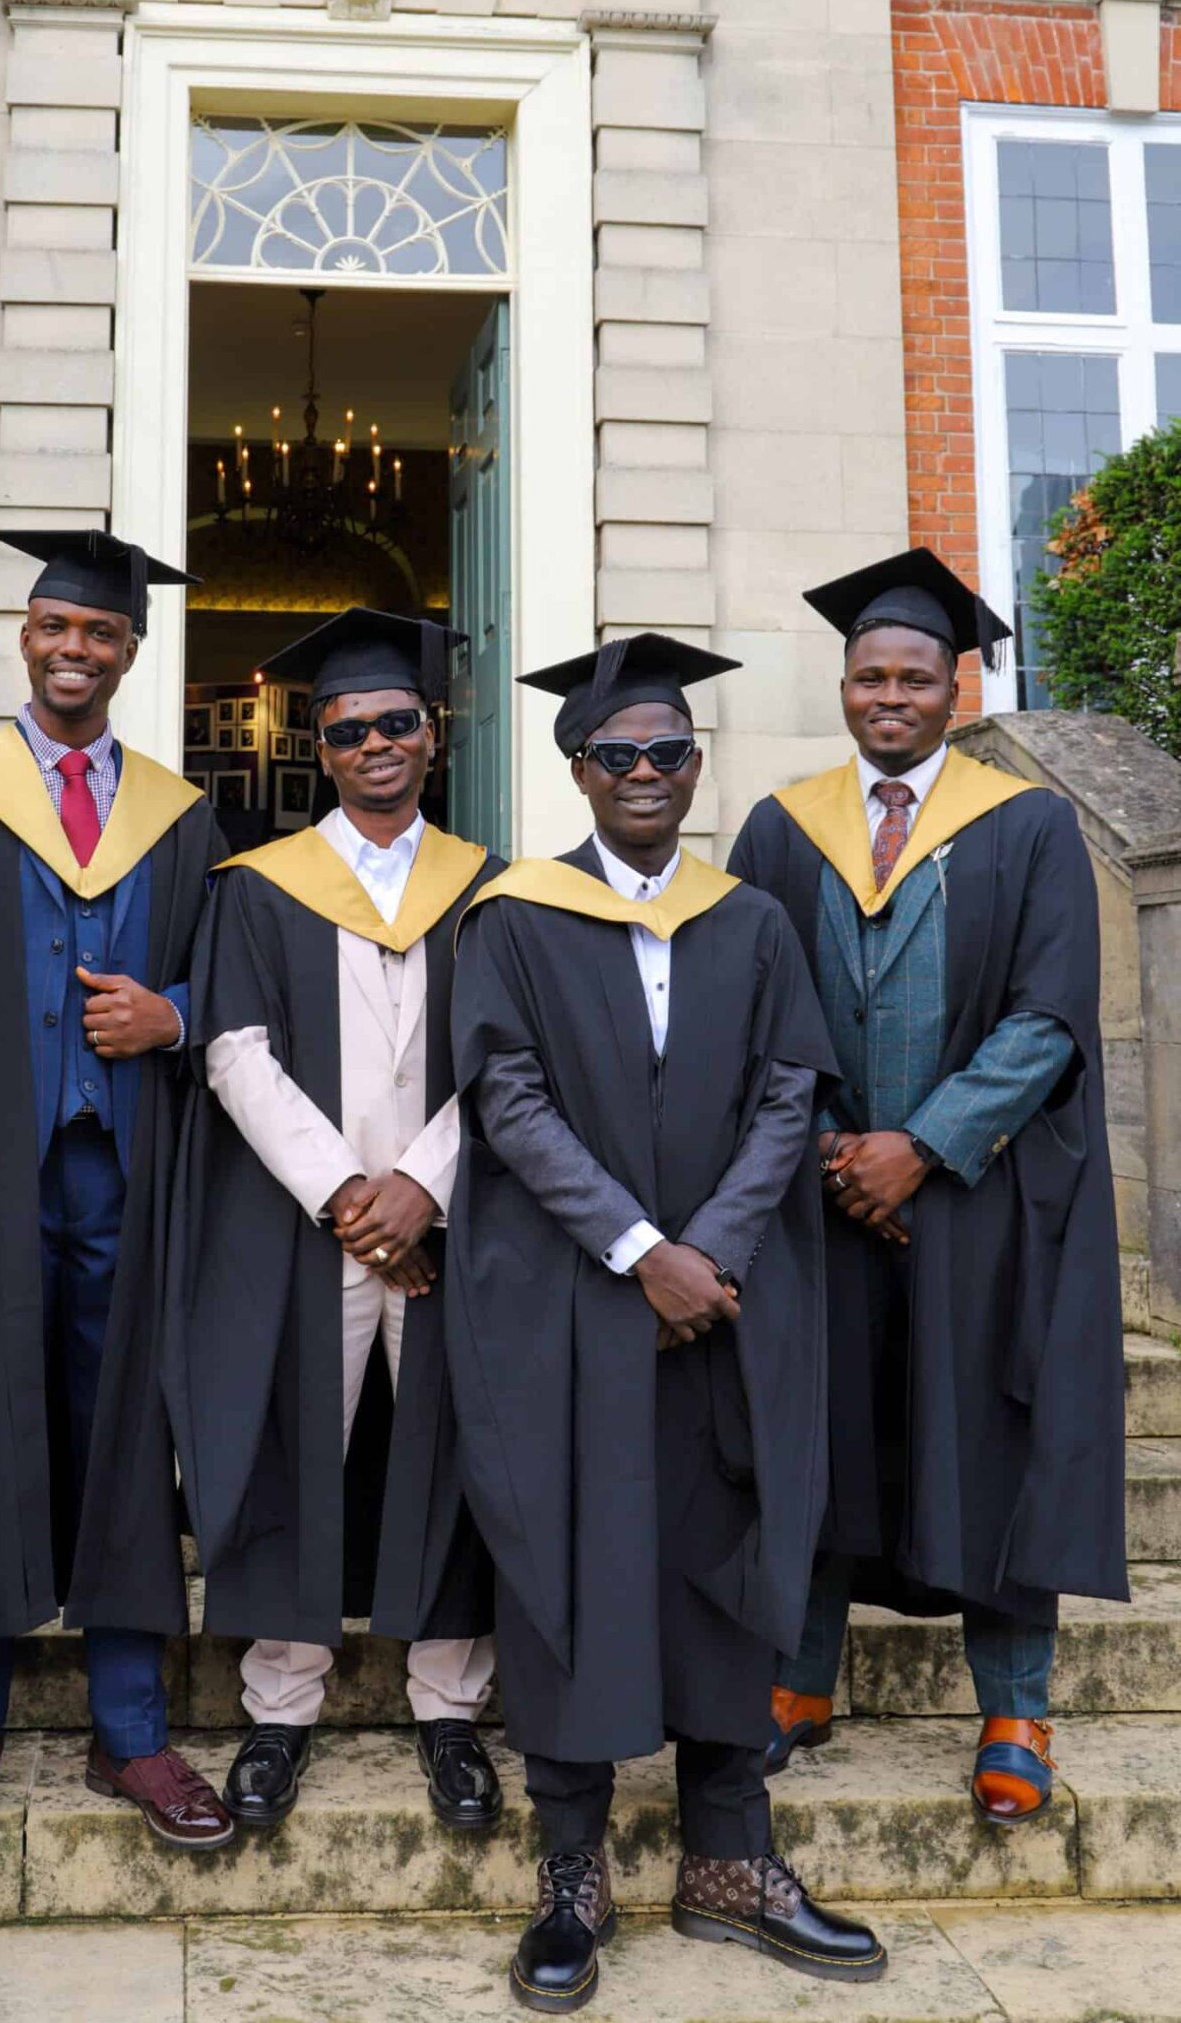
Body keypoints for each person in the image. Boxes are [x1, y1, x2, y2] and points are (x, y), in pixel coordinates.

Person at [450, 634, 886, 2014]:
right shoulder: (514, 918)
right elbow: (506, 1101)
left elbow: (789, 1092)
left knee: (726, 1555)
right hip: (569, 1307)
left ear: (696, 769)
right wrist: (640, 1250)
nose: (645, 772)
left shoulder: (749, 920)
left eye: (668, 753)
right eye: (618, 754)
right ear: (577, 770)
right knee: (567, 1562)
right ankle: (572, 1870)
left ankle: (728, 1861)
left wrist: (709, 1252)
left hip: (726, 1307)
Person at [729, 548, 1127, 1824]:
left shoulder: (1028, 824)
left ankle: (1014, 1705)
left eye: (914, 677)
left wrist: (926, 1143)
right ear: (843, 685)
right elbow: (751, 1009)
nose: (890, 697)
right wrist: (832, 1146)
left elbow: (1051, 1016)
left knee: (998, 1432)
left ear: (957, 687)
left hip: (981, 1198)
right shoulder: (782, 827)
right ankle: (796, 1680)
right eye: (870, 677)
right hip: (821, 1196)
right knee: (818, 1431)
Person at [0, 530, 233, 1852]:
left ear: (130, 652)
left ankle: (129, 1727)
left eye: (99, 632)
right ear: (25, 634)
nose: (74, 648)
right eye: (56, 625)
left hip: (125, 1173)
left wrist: (173, 1015)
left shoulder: (182, 814)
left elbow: (238, 974)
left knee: (123, 1437)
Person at [169, 609, 502, 1834]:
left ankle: (450, 1703)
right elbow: (234, 1053)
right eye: (350, 729)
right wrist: (351, 1198)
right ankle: (280, 1703)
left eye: (395, 723)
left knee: (453, 1447)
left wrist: (423, 1183)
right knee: (296, 1443)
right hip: (310, 1222)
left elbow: (515, 1060)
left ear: (432, 733)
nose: (375, 744)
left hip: (448, 1218)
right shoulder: (259, 886)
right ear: (320, 746)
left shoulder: (490, 887)